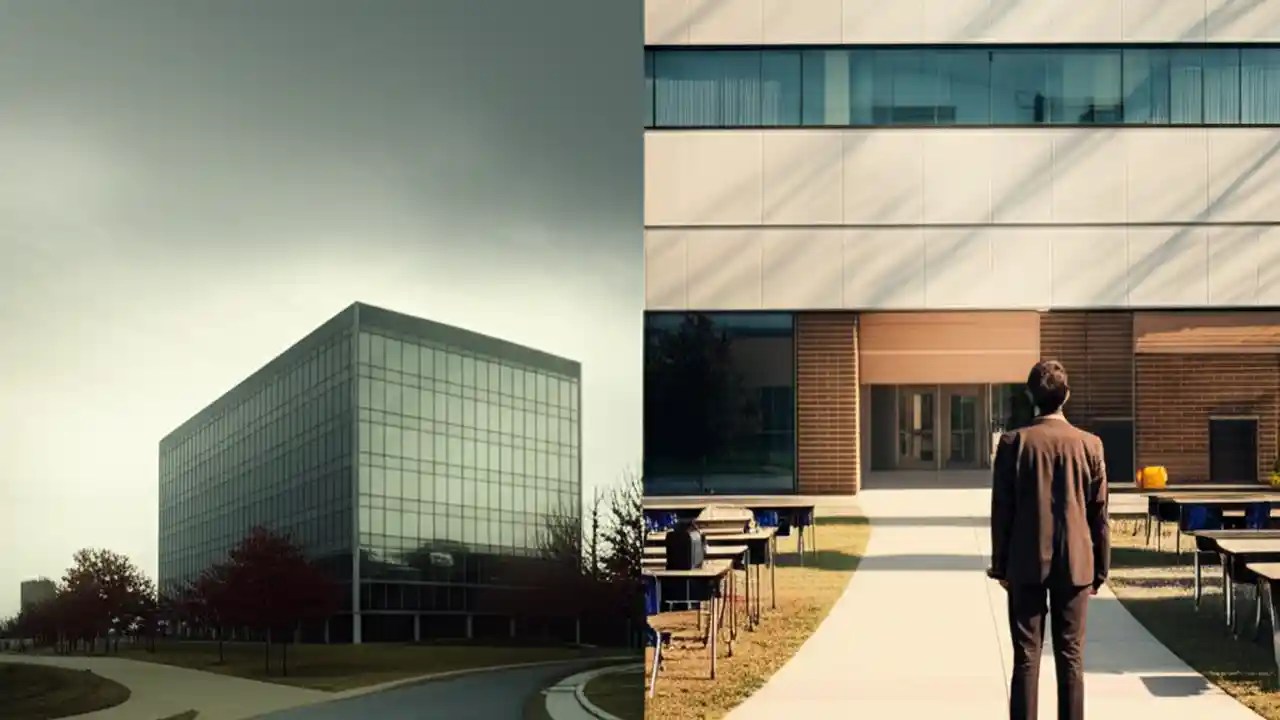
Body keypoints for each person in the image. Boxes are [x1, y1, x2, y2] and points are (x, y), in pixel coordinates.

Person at [987, 360, 1109, 720]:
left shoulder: (1014, 443)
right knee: (1071, 657)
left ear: (1030, 397)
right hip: (1076, 563)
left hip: (1024, 562)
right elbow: (1099, 515)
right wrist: (1100, 569)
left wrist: (1001, 565)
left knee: (1026, 657)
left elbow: (1001, 512)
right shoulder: (1091, 445)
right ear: (1066, 396)